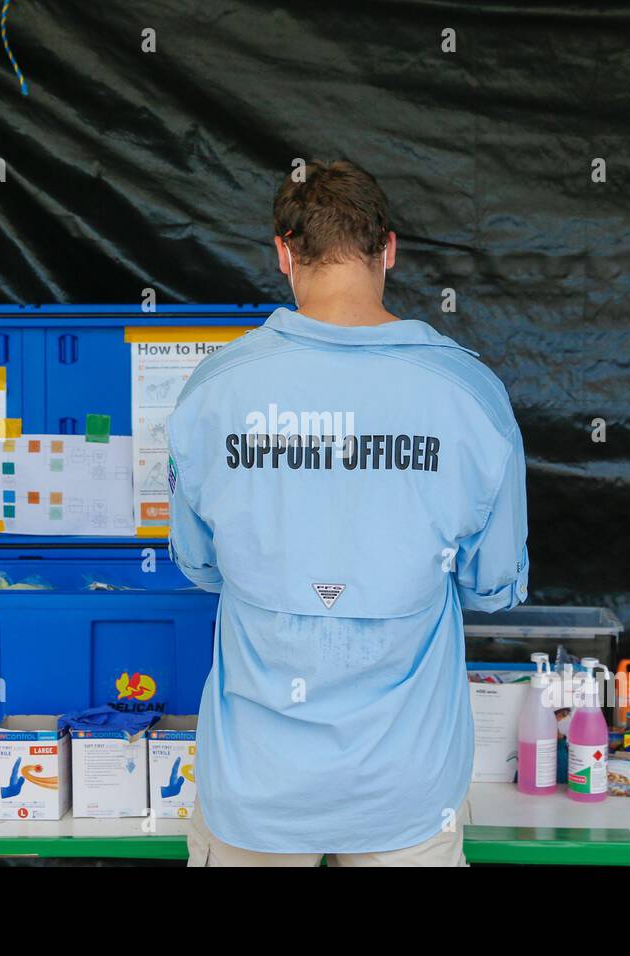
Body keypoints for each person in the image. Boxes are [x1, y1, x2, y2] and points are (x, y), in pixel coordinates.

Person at [167, 159, 528, 867]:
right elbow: (492, 584)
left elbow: (199, 566)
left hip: (256, 787)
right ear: (388, 249)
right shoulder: (469, 394)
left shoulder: (213, 390)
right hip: (407, 790)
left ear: (283, 253)